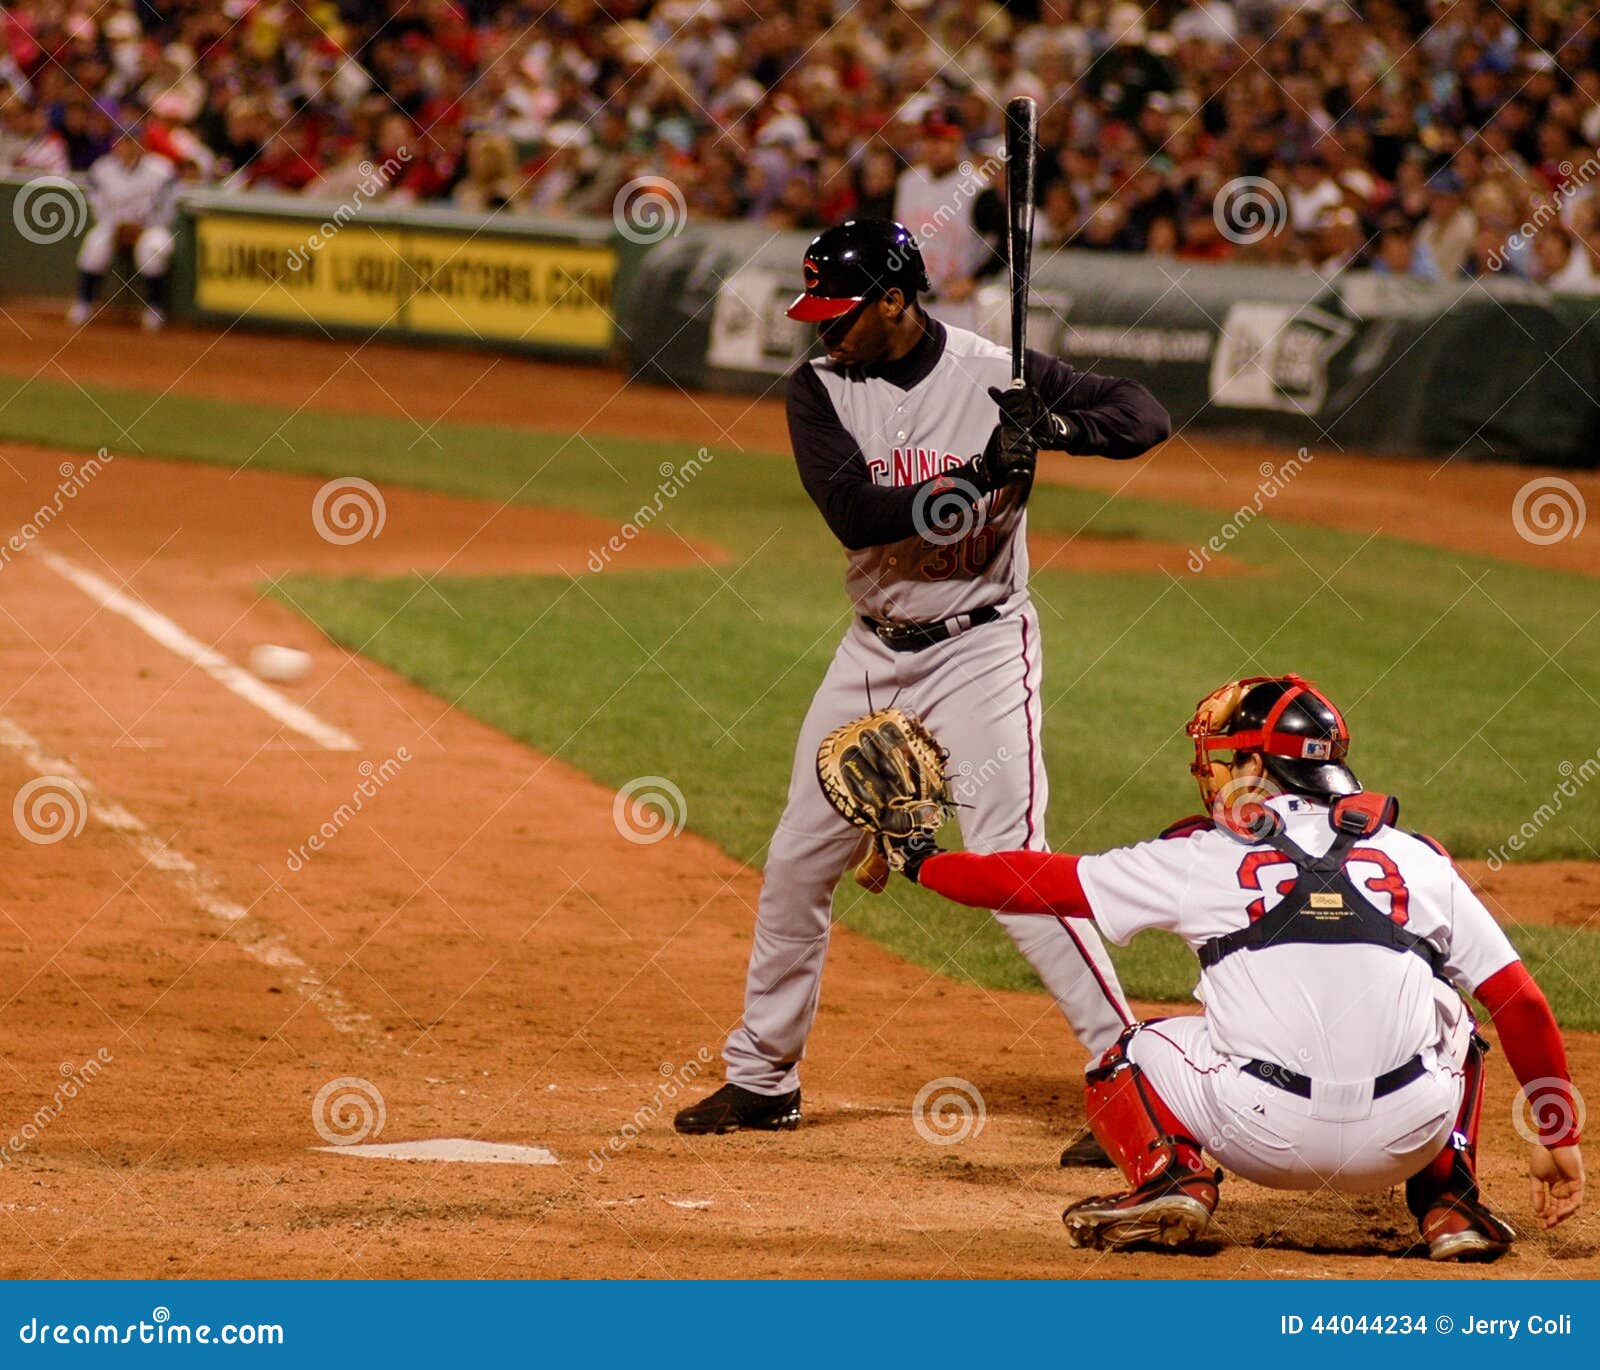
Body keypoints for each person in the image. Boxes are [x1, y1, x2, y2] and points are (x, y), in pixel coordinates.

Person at [673, 218, 1171, 1155]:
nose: (822, 330)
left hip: (981, 649)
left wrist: (1054, 430)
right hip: (872, 652)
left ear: (895, 302)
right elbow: (857, 515)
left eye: (840, 312)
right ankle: (762, 1076)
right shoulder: (820, 388)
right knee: (795, 862)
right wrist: (982, 469)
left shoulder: (993, 369)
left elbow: (1145, 417)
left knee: (1011, 860)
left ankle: (1134, 1081)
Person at [895, 674, 1584, 1258]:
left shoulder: (1204, 855)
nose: (1215, 774)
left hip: (1261, 1131)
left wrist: (921, 860)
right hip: (1405, 1135)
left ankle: (1173, 1177)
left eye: (1227, 759)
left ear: (1260, 768)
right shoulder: (1416, 858)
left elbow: (1043, 884)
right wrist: (1558, 1135)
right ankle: (1451, 1203)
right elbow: (1522, 1004)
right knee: (1456, 1021)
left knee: (1125, 1055)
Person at [68, 119, 177, 331]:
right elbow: (97, 205)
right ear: (115, 144)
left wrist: (144, 227)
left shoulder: (161, 169)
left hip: (150, 228)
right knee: (94, 244)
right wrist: (117, 227)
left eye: (132, 141)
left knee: (153, 248)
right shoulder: (101, 169)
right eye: (123, 141)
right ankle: (84, 303)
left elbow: (168, 208)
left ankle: (154, 308)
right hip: (113, 227)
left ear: (141, 144)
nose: (127, 147)